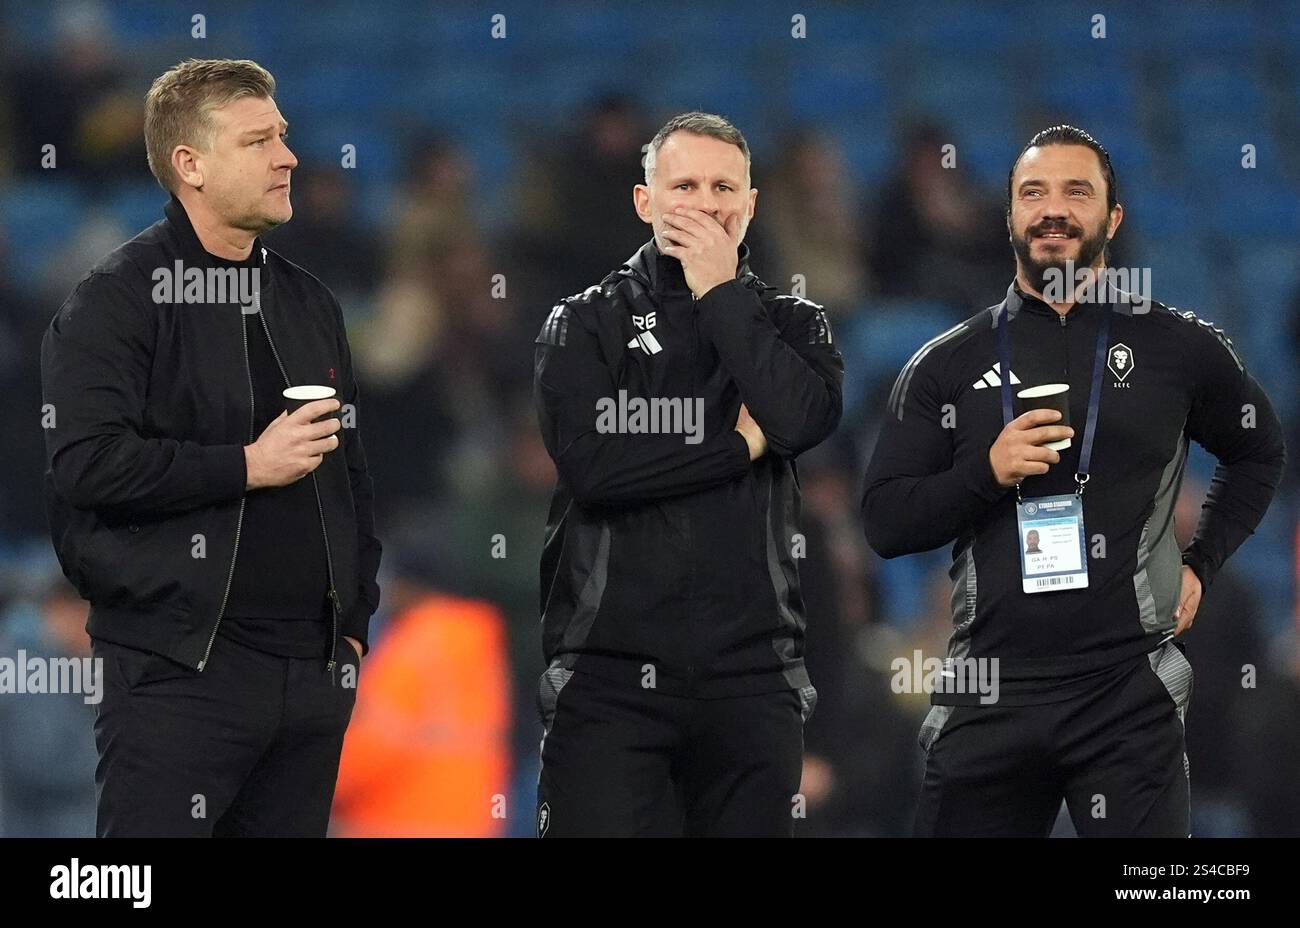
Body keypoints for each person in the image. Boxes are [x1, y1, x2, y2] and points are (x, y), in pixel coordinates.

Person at [860, 125, 1285, 837]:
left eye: (1076, 192)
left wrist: (1202, 563)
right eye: (1034, 193)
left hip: (1125, 689)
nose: (1053, 209)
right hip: (991, 688)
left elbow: (1260, 452)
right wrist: (984, 472)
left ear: (1111, 219)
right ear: (1010, 218)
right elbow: (885, 519)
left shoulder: (1177, 346)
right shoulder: (946, 365)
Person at [40, 58, 381, 837]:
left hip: (311, 675)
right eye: (258, 140)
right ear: (189, 165)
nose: (288, 157)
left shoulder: (307, 300)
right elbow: (86, 464)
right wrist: (246, 466)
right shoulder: (115, 301)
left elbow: (353, 476)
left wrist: (354, 622)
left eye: (284, 136)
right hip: (180, 673)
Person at [532, 112, 843, 837]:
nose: (705, 203)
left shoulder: (796, 323)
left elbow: (798, 420)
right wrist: (735, 448)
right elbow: (596, 467)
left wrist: (719, 293)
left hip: (752, 679)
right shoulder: (581, 325)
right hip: (609, 679)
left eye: (723, 186)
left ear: (752, 204)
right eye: (685, 185)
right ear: (645, 203)